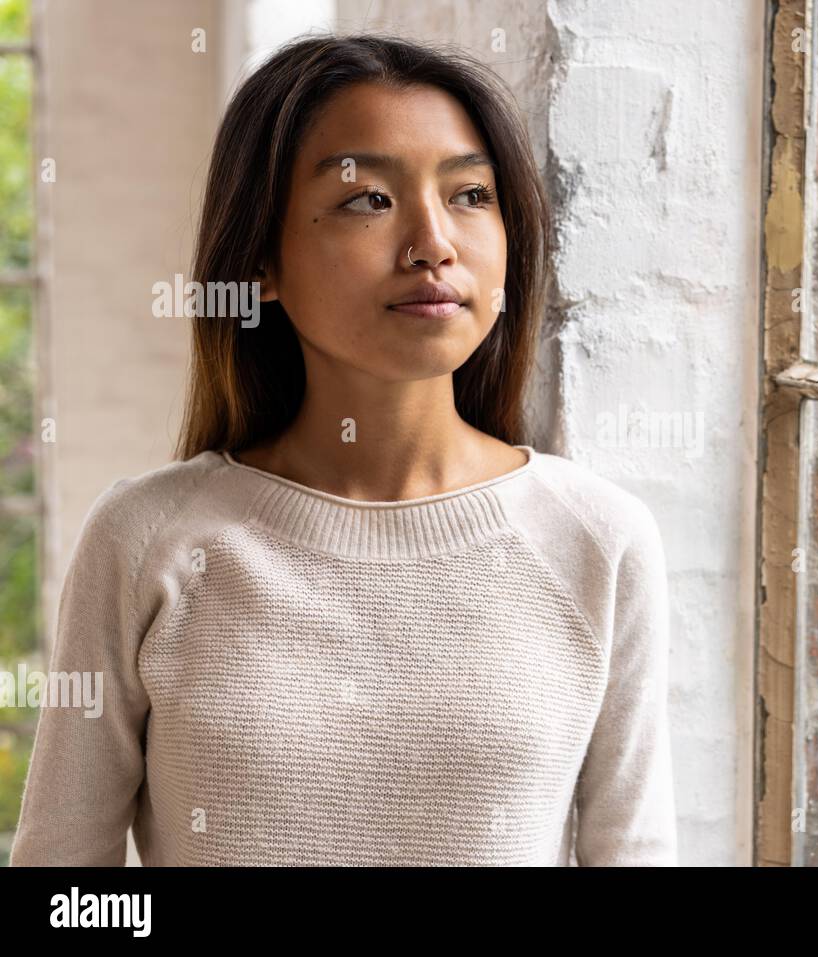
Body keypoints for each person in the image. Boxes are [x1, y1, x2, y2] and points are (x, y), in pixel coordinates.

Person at [9, 34, 677, 867]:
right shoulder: (148, 538)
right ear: (259, 260)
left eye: (471, 193)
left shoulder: (598, 540)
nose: (433, 242)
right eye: (367, 200)